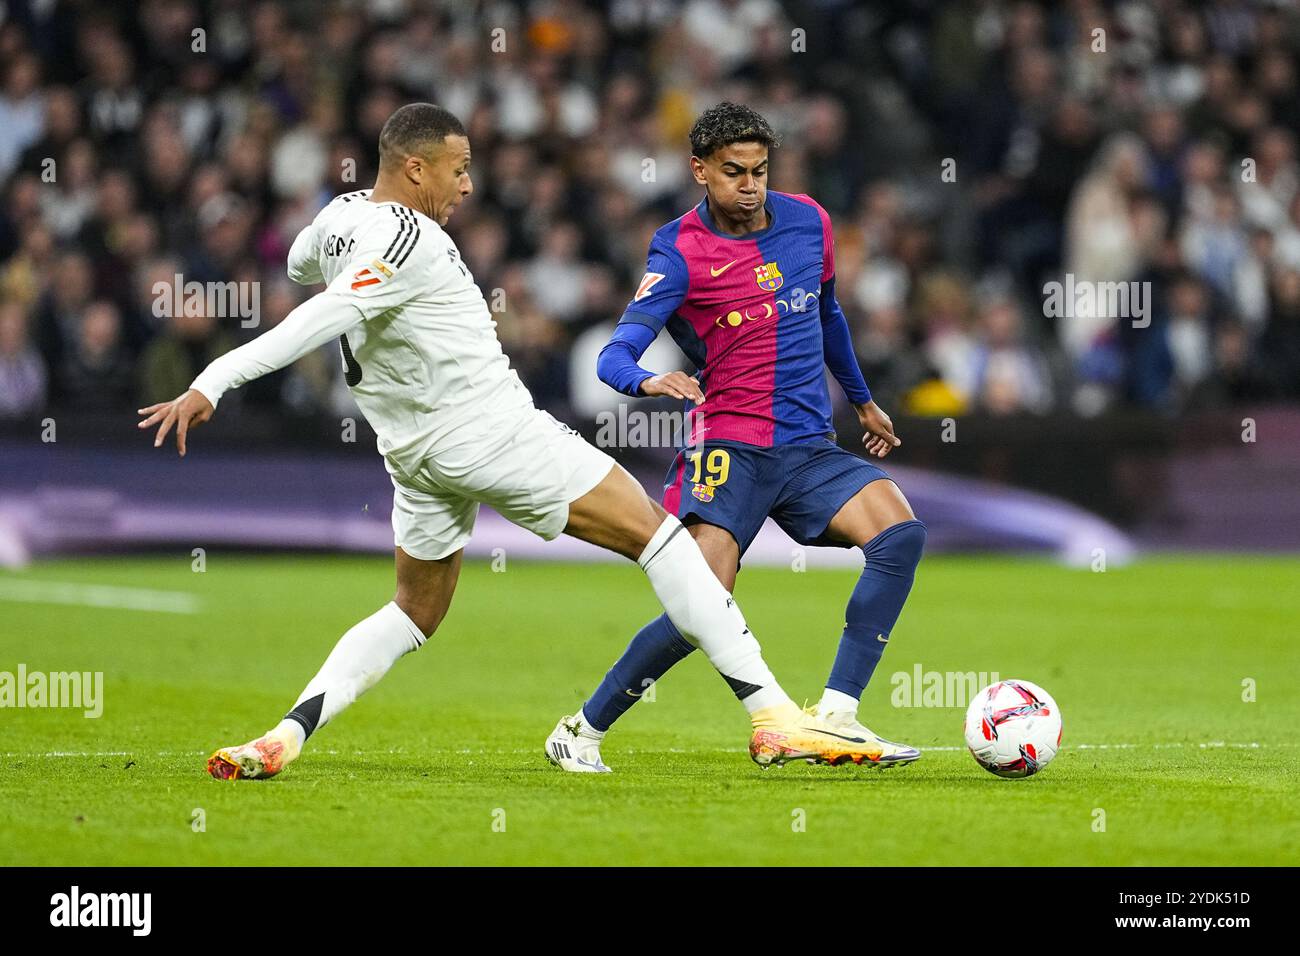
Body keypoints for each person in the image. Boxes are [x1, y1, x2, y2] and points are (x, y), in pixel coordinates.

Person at [137, 103, 868, 780]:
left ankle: (285, 734)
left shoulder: (340, 218)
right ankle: (774, 716)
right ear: (415, 168)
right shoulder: (407, 236)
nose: (467, 183)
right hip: (487, 429)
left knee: (412, 612)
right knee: (664, 538)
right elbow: (319, 316)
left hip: (413, 456)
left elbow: (302, 263)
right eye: (457, 168)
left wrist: (337, 263)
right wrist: (214, 381)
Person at [546, 103, 926, 773]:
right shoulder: (679, 249)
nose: (749, 186)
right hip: (731, 446)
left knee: (900, 535)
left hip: (809, 444)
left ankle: (835, 713)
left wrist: (864, 402)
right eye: (732, 173)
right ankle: (581, 730)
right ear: (699, 170)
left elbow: (829, 313)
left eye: (759, 171)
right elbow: (616, 353)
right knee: (703, 603)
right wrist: (647, 381)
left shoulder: (810, 221)